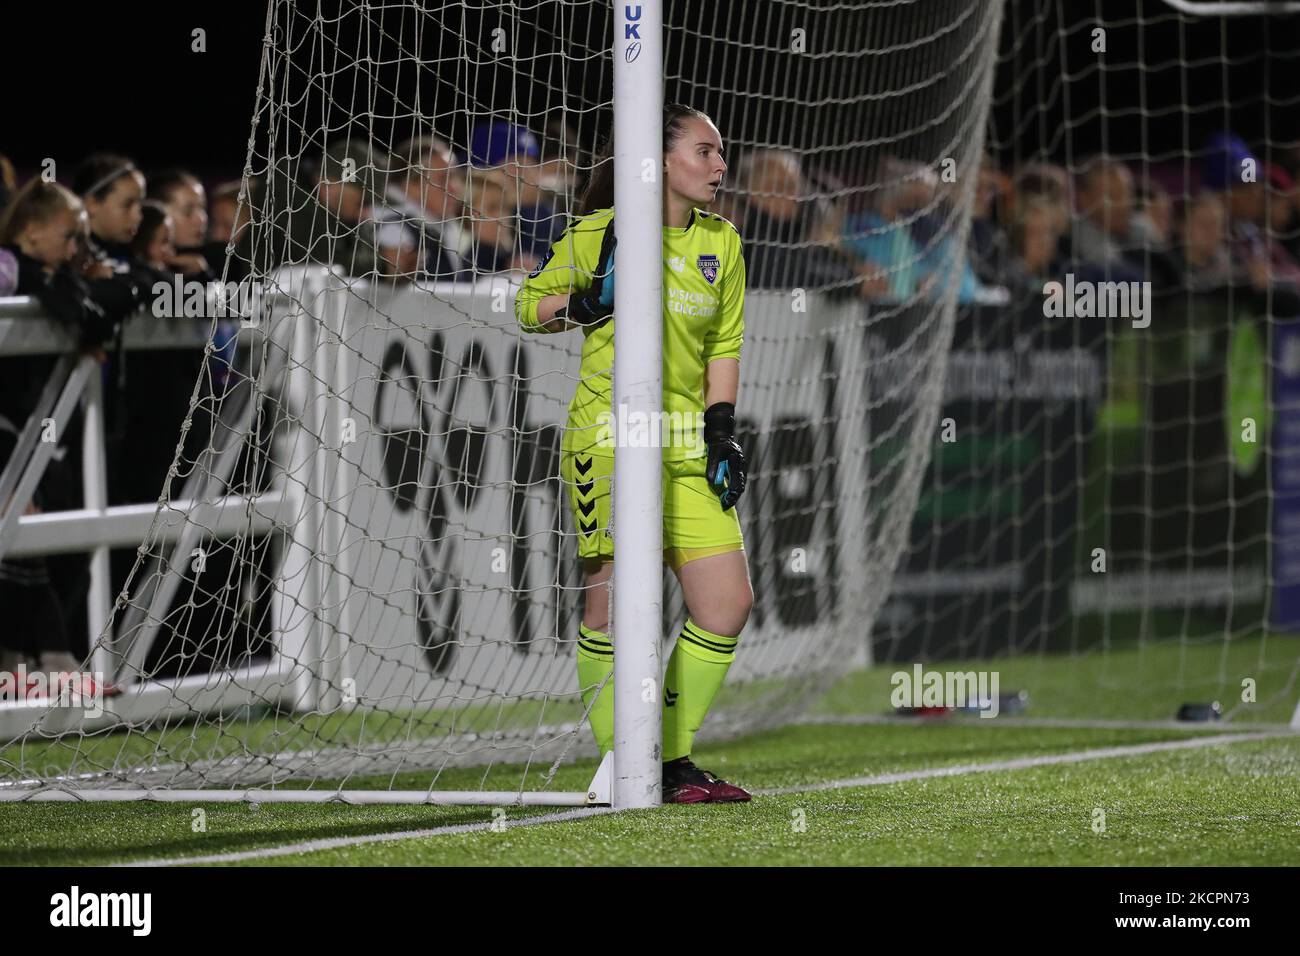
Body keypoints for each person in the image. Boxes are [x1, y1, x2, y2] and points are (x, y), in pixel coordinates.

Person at [515, 104, 753, 803]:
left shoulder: (724, 242)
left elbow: (725, 344)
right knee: (612, 609)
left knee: (727, 604)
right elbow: (530, 307)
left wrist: (721, 432)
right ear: (660, 160)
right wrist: (590, 301)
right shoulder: (602, 232)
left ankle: (670, 760)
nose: (719, 165)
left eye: (721, 153)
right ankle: (626, 760)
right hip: (611, 439)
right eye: (706, 152)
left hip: (685, 447)